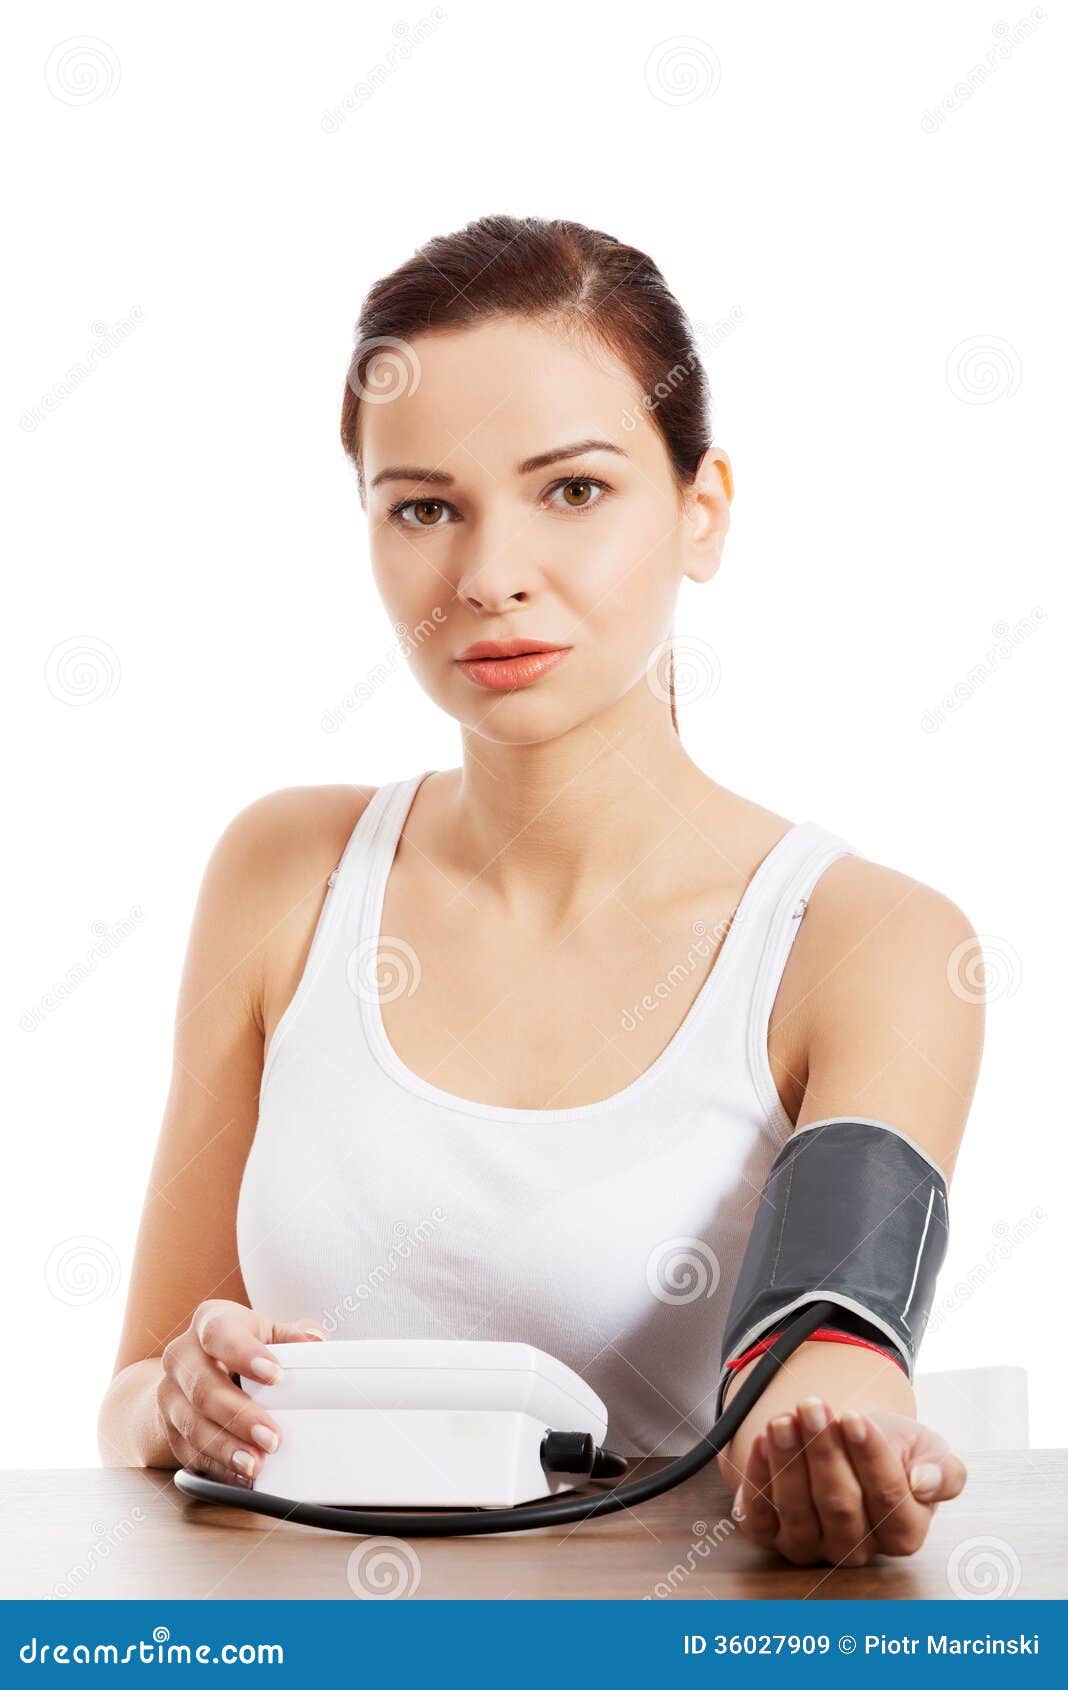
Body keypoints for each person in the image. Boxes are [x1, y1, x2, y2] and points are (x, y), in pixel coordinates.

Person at [99, 214, 981, 1570]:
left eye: (572, 489)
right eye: (424, 506)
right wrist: (178, 1394)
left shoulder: (865, 941)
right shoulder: (283, 872)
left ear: (703, 511)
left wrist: (837, 1436)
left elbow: (834, 1352)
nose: (490, 575)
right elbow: (132, 1394)